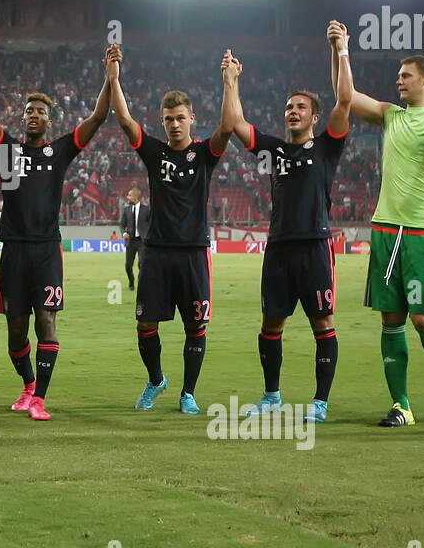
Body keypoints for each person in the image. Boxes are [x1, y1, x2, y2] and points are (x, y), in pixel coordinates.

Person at [0, 32, 113, 420]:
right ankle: (28, 383)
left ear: (50, 120)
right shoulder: (8, 150)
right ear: (23, 118)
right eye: (28, 111)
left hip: (47, 250)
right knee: (16, 331)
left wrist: (110, 75)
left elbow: (98, 116)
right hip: (13, 250)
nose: (33, 115)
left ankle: (40, 399)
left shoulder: (60, 151)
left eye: (40, 112)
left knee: (47, 322)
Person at [334, 21, 424, 426]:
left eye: (405, 75)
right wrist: (341, 50)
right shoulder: (391, 115)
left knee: (423, 320)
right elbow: (345, 97)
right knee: (390, 319)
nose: (398, 81)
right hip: (384, 228)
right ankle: (402, 406)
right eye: (398, 76)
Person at [220, 25, 352, 424]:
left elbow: (345, 99)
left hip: (315, 246)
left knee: (322, 323)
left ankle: (320, 403)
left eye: (299, 107)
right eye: (288, 107)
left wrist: (340, 50)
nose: (291, 111)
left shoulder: (327, 146)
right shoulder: (275, 150)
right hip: (278, 247)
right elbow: (233, 123)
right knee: (271, 322)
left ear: (314, 115)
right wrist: (230, 81)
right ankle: (272, 396)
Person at [109, 46, 236, 413]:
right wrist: (114, 79)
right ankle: (156, 380)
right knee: (146, 324)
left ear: (192, 118)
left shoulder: (205, 154)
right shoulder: (155, 153)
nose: (174, 124)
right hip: (157, 252)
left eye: (180, 117)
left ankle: (188, 393)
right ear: (162, 122)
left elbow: (228, 126)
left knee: (196, 326)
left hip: (194, 251)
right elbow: (123, 119)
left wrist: (229, 81)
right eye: (168, 119)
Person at [118, 188, 149, 290]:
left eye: (129, 195)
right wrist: (124, 233)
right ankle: (131, 282)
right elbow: (122, 225)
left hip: (142, 242)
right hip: (130, 241)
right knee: (128, 266)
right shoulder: (126, 210)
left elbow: (151, 224)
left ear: (136, 197)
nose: (127, 197)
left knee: (142, 264)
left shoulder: (146, 209)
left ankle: (141, 284)